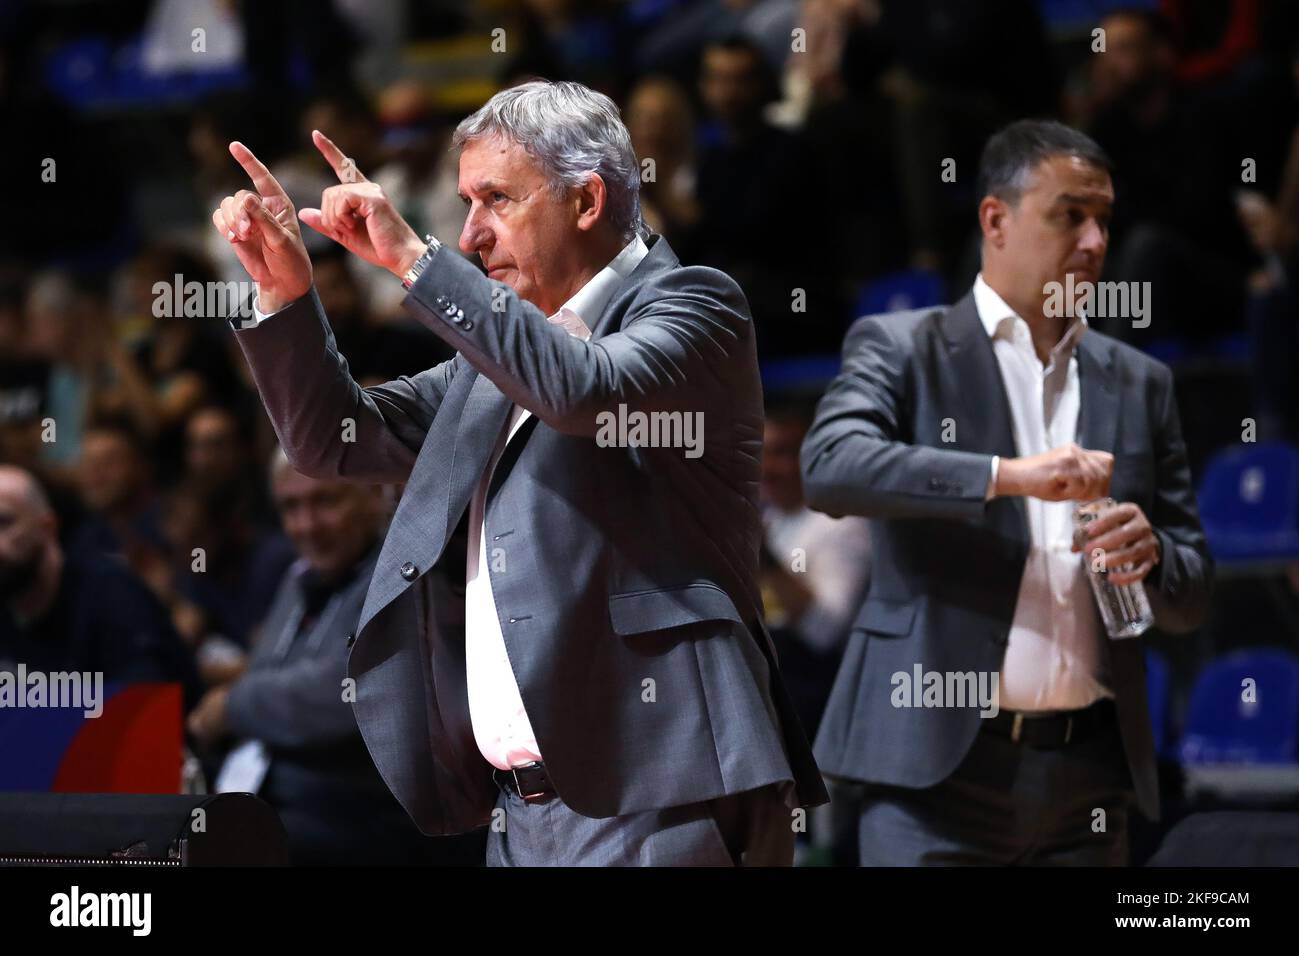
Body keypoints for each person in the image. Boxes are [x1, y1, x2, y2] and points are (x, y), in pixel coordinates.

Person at [210, 79, 826, 866]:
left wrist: (410, 259)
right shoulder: (497, 356)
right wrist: (287, 297)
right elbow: (333, 441)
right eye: (464, 204)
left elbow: (583, 390)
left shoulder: (693, 307)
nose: (469, 238)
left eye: (495, 200)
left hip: (668, 787)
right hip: (519, 814)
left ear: (588, 200)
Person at [802, 120, 1213, 865]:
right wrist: (1006, 476)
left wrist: (1153, 557)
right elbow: (831, 465)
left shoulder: (1141, 382)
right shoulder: (902, 345)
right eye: (1070, 215)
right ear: (996, 218)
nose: (1094, 242)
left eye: (1104, 221)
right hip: (934, 772)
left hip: (1088, 776)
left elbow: (1193, 591)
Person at [187, 450, 484, 866]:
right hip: (286, 800)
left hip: (369, 819)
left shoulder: (406, 571)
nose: (307, 525)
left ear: (372, 496)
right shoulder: (302, 576)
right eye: (291, 507)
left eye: (326, 501)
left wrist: (233, 706)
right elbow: (268, 675)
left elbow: (344, 693)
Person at [0, 465, 198, 705]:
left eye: (4, 523)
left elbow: (145, 717)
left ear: (47, 528)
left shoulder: (112, 596)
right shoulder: (10, 602)